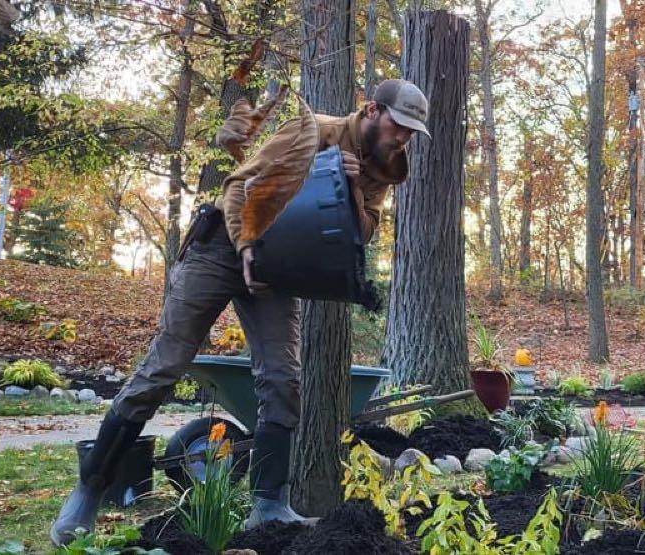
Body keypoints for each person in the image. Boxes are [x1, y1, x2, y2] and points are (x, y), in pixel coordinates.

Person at [50, 79, 431, 546]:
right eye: (400, 126)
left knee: (282, 378)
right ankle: (90, 489)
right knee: (164, 367)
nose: (404, 138)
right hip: (224, 249)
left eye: (413, 132)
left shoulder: (383, 167)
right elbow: (238, 186)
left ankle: (270, 505)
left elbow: (366, 230)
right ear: (372, 110)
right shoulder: (311, 133)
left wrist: (349, 186)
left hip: (280, 268)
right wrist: (249, 243)